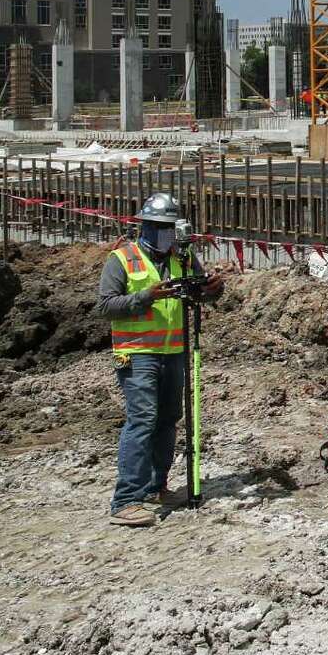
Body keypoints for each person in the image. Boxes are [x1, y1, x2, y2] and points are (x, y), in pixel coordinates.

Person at [94, 192, 221, 528]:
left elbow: (202, 292)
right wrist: (145, 297)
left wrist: (211, 289)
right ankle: (126, 500)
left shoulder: (183, 256)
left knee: (168, 420)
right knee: (142, 421)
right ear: (145, 226)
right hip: (136, 354)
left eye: (170, 228)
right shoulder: (122, 259)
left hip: (173, 351)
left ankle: (155, 488)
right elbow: (106, 306)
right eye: (159, 227)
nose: (166, 234)